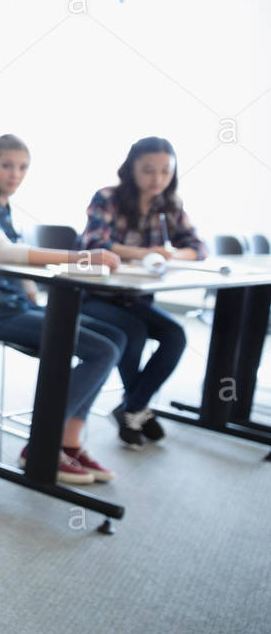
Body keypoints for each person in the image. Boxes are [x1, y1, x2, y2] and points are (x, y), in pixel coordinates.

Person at [0, 135, 126, 485]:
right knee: (103, 349)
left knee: (114, 336)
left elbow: (13, 259)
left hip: (7, 305)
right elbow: (4, 254)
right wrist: (84, 259)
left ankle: (67, 441)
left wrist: (33, 301)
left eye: (23, 167)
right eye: (7, 165)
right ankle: (42, 445)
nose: (15, 174)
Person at [79, 136, 206, 448]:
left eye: (165, 171)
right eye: (149, 170)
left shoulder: (170, 205)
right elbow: (95, 244)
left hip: (134, 298)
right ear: (131, 168)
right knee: (133, 331)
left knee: (175, 334)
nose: (157, 178)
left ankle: (133, 406)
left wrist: (173, 255)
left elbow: (198, 247)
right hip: (92, 296)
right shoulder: (107, 197)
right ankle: (137, 408)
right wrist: (144, 252)